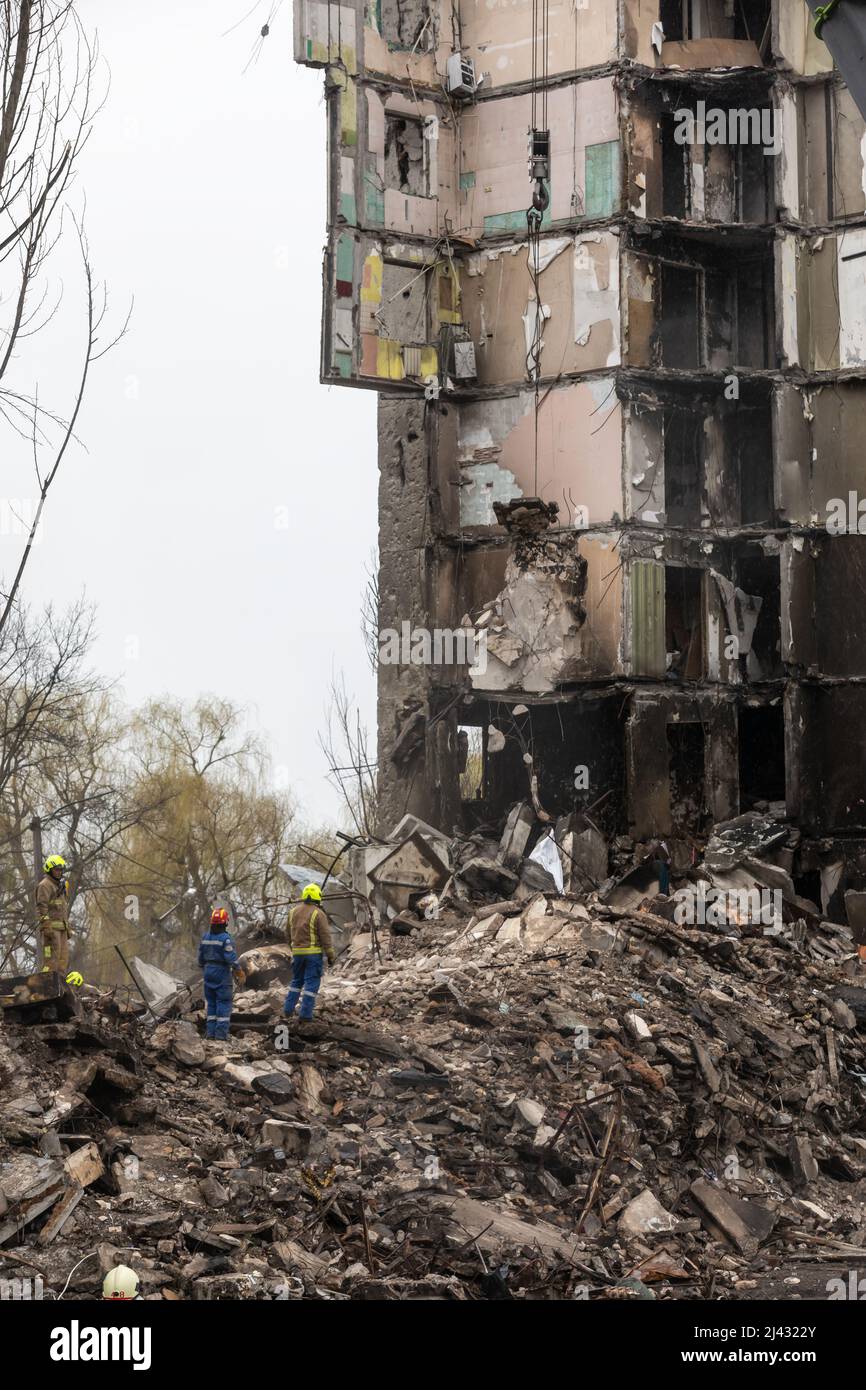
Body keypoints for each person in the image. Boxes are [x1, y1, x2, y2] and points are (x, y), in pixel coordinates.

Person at [284, 884, 335, 1021]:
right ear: (317, 897)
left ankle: (288, 1010)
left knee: (296, 982)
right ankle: (305, 1015)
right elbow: (325, 937)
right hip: (313, 956)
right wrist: (331, 956)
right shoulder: (318, 913)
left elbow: (288, 934)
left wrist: (293, 949)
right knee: (311, 984)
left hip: (297, 954)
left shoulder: (292, 912)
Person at [198, 907, 243, 1041]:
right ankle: (221, 1036)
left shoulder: (205, 937)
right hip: (221, 972)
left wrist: (204, 967)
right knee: (223, 1003)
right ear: (225, 923)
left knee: (211, 1003)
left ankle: (211, 1034)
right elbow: (230, 958)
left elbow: (200, 957)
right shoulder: (225, 939)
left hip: (208, 971)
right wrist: (238, 970)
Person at [36, 854, 72, 977]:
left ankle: (60, 988)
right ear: (49, 870)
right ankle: (46, 985)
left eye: (61, 870)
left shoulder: (60, 886)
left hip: (62, 930)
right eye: (57, 869)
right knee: (51, 961)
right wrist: (46, 927)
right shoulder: (44, 885)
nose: (59, 872)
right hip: (50, 931)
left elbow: (62, 909)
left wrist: (67, 928)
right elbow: (42, 907)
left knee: (63, 961)